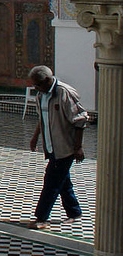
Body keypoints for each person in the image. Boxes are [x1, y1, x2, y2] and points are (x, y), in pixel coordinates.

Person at [27, 65, 88, 230]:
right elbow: (42, 119)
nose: (36, 88)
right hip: (51, 147)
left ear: (47, 80)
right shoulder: (41, 95)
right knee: (62, 180)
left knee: (51, 182)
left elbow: (80, 120)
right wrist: (35, 137)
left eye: (38, 84)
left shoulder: (63, 93)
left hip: (65, 147)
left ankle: (42, 217)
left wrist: (78, 147)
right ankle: (74, 212)